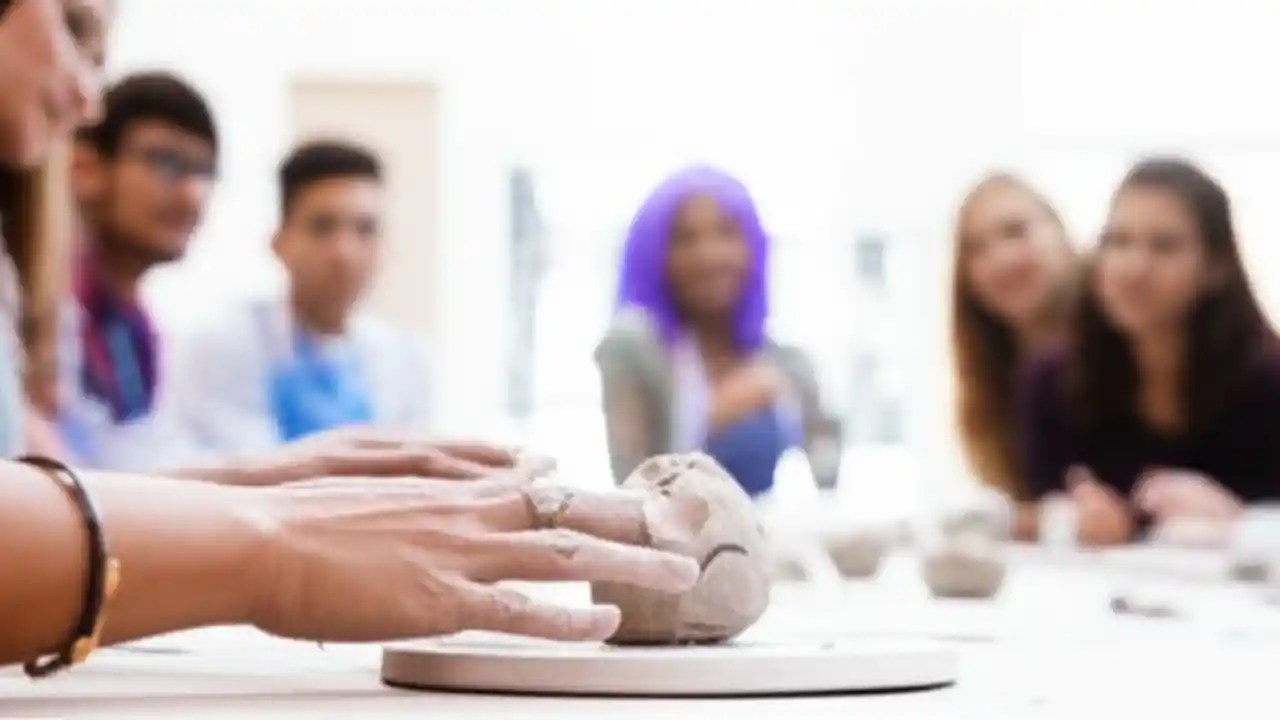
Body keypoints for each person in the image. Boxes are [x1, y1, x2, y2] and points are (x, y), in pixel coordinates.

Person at [1, 0, 699, 672]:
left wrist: (266, 491)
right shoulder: (206, 340)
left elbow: (48, 492)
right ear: (277, 240)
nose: (87, 102)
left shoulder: (136, 333)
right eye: (73, 24)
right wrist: (275, 538)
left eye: (366, 229)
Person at [1021, 158, 1280, 545]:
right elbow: (1028, 514)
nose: (1134, 267)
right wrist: (1068, 521)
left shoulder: (1269, 383)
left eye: (1165, 246)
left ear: (1216, 267)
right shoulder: (1053, 380)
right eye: (1118, 242)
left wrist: (1242, 525)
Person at [169, 141, 431, 458]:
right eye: (323, 227)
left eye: (365, 229)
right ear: (279, 241)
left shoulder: (405, 359)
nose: (344, 252)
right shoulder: (221, 345)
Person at [595, 166, 841, 496]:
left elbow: (827, 477)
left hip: (773, 541)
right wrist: (712, 415)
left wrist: (806, 416)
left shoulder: (785, 362)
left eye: (726, 233)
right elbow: (632, 490)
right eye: (685, 238)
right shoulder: (633, 349)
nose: (708, 255)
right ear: (654, 253)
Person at [55, 70, 219, 469]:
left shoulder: (138, 329)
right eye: (166, 162)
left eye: (204, 172)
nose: (191, 194)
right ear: (88, 168)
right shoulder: (49, 303)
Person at [949, 173, 1077, 535]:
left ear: (1060, 234)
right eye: (976, 249)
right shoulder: (994, 383)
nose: (1000, 259)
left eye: (1015, 232)